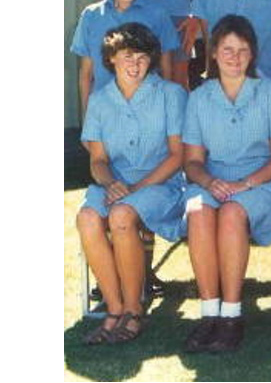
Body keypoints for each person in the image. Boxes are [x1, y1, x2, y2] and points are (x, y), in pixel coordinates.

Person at [180, 16, 271, 353]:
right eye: (227, 49)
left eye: (242, 50)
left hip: (262, 184)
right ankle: (208, 313)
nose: (234, 57)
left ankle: (231, 316)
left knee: (231, 213)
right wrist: (210, 181)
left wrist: (245, 184)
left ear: (252, 55)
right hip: (212, 182)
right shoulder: (200, 98)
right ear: (213, 53)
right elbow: (192, 162)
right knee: (199, 210)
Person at [76, 23, 187, 345]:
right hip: (115, 184)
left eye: (141, 56)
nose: (135, 63)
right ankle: (114, 310)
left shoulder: (170, 94)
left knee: (122, 215)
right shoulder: (99, 100)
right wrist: (111, 184)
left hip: (161, 185)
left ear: (151, 59)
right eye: (127, 55)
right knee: (87, 217)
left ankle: (134, 311)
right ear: (111, 59)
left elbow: (177, 156)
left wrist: (135, 190)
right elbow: (97, 160)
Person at [71, 0, 179, 120]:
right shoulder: (91, 16)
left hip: (148, 114)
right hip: (105, 115)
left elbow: (167, 71)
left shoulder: (157, 16)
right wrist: (86, 120)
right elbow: (86, 74)